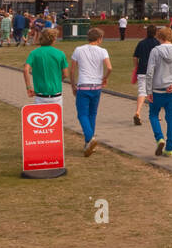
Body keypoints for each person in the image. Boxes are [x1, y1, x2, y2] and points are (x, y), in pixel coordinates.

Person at [145, 26, 172, 158]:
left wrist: (148, 90)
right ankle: (169, 147)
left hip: (157, 89)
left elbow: (149, 72)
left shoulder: (155, 51)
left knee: (153, 115)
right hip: (171, 90)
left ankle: (159, 138)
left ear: (160, 37)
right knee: (170, 118)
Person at [69, 27, 112, 156]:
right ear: (99, 39)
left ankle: (90, 138)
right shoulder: (102, 51)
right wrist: (104, 78)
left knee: (82, 114)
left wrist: (73, 85)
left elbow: (72, 70)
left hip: (83, 85)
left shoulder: (78, 50)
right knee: (92, 114)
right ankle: (88, 143)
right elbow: (109, 67)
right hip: (96, 86)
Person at [23, 28, 68, 106]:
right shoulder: (60, 54)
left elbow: (26, 70)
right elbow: (65, 74)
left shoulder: (34, 53)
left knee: (41, 117)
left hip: (40, 95)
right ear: (54, 39)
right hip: (56, 95)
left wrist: (29, 87)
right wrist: (57, 80)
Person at [131, 27, 159, 126]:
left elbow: (135, 57)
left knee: (142, 92)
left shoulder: (141, 43)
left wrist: (136, 67)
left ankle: (138, 112)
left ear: (147, 32)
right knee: (154, 92)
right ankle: (155, 114)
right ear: (156, 33)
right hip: (155, 72)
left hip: (142, 70)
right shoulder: (158, 44)